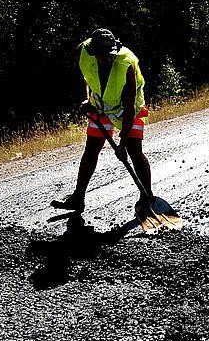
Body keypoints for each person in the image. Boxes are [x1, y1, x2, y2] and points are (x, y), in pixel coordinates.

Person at [51, 28, 153, 214]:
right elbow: (83, 76)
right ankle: (78, 199)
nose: (107, 60)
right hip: (101, 105)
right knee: (91, 149)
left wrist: (122, 143)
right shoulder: (82, 51)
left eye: (110, 55)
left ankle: (148, 197)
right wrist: (86, 98)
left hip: (129, 109)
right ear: (93, 53)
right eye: (101, 56)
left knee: (134, 151)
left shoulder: (126, 64)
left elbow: (129, 106)